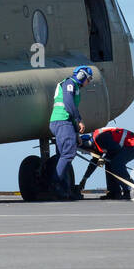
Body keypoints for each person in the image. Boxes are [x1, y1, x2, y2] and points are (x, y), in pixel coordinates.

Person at [47, 66, 93, 199]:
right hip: (61, 122)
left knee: (64, 155)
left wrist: (76, 134)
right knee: (68, 153)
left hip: (64, 123)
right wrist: (79, 120)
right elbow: (68, 104)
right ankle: (54, 186)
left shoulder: (73, 87)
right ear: (81, 76)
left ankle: (65, 189)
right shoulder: (69, 84)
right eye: (88, 79)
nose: (88, 83)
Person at [81, 126, 134, 200]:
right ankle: (114, 192)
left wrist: (105, 159)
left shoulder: (100, 138)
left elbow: (116, 149)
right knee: (109, 163)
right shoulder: (96, 143)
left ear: (89, 145)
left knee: (116, 163)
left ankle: (130, 190)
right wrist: (85, 179)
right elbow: (95, 163)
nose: (90, 153)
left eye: (88, 151)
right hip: (124, 146)